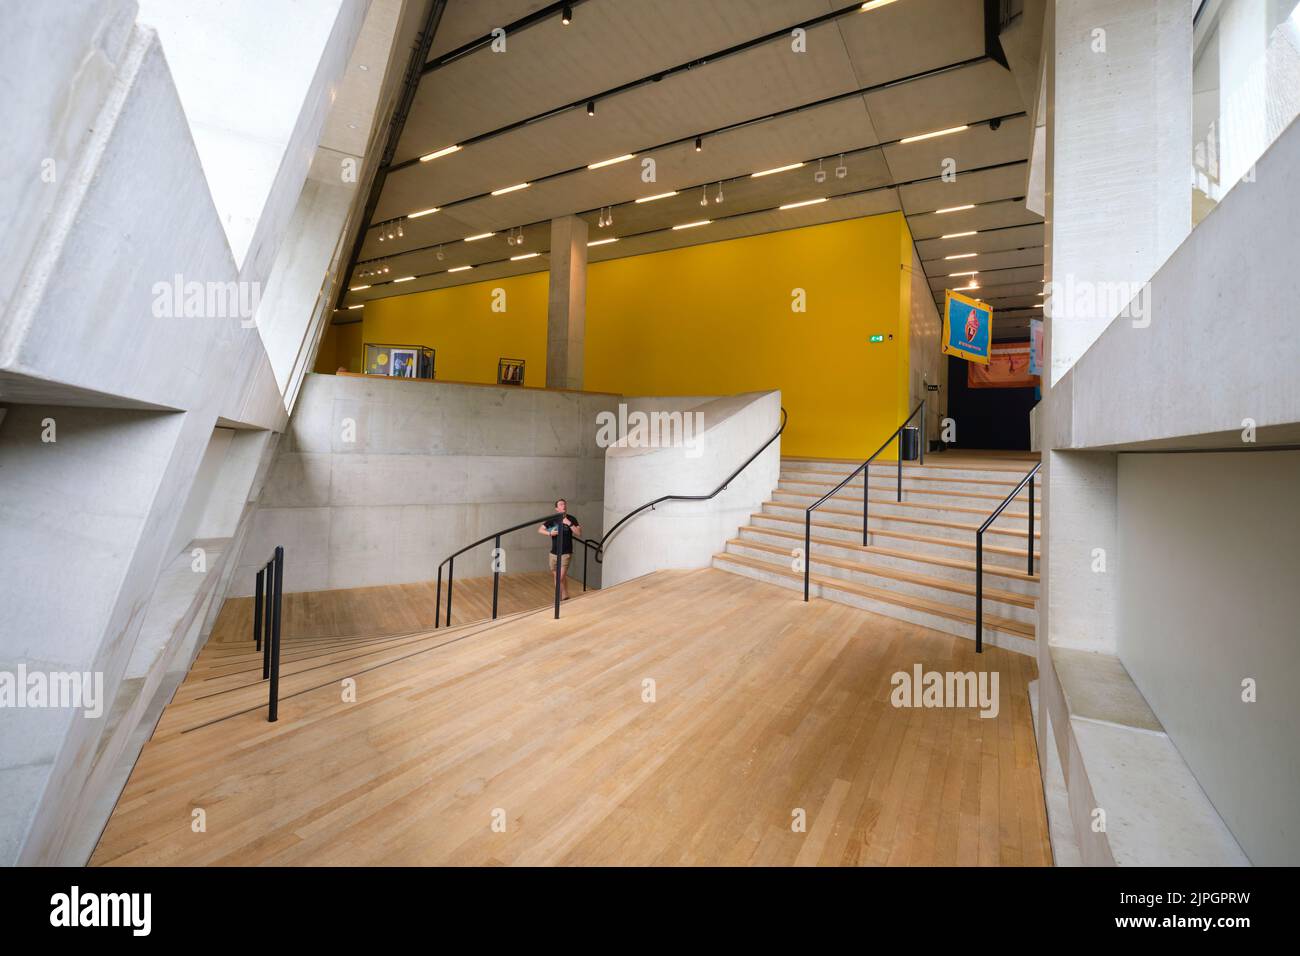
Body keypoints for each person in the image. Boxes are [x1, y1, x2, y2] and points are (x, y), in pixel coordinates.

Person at [538, 499, 581, 600]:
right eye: (561, 504)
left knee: (560, 578)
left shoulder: (571, 518)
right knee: (558, 578)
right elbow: (540, 529)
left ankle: (558, 601)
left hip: (566, 553)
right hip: (553, 553)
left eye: (565, 504)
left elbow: (578, 532)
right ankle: (565, 595)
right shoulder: (553, 520)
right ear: (557, 508)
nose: (564, 506)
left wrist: (569, 523)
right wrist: (549, 533)